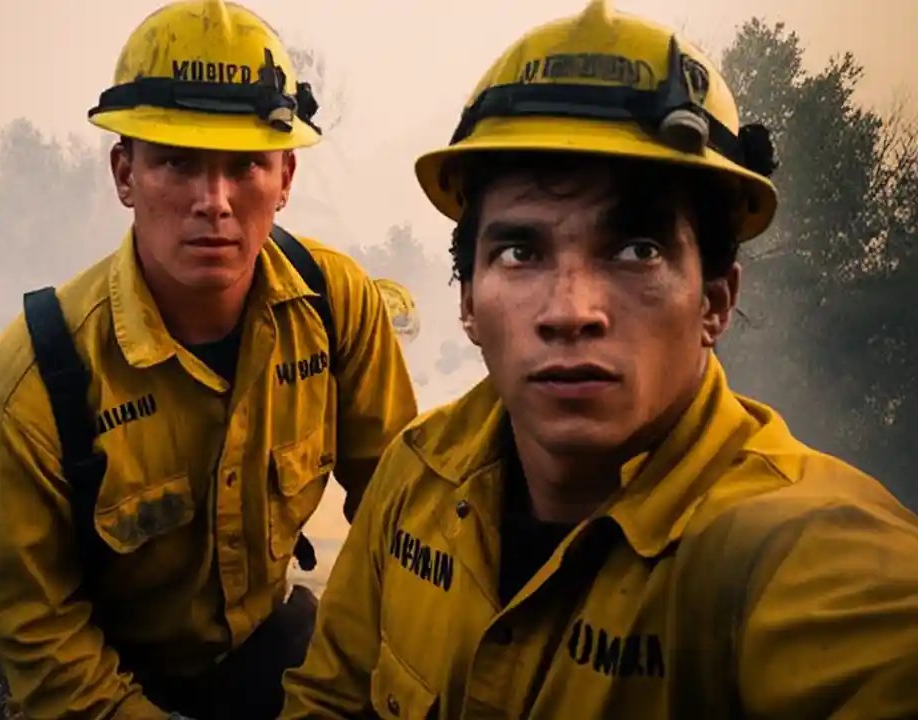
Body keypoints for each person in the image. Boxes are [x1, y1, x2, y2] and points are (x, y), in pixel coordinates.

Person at [281, 1, 918, 718]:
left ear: (714, 300)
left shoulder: (794, 551)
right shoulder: (417, 475)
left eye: (635, 250)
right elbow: (329, 699)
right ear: (467, 303)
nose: (570, 310)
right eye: (521, 253)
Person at [0, 2, 417, 719]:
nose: (214, 202)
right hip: (105, 687)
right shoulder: (31, 385)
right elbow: (36, 626)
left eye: (245, 166)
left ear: (286, 176)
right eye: (176, 162)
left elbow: (404, 520)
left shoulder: (335, 306)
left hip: (272, 649)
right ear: (124, 173)